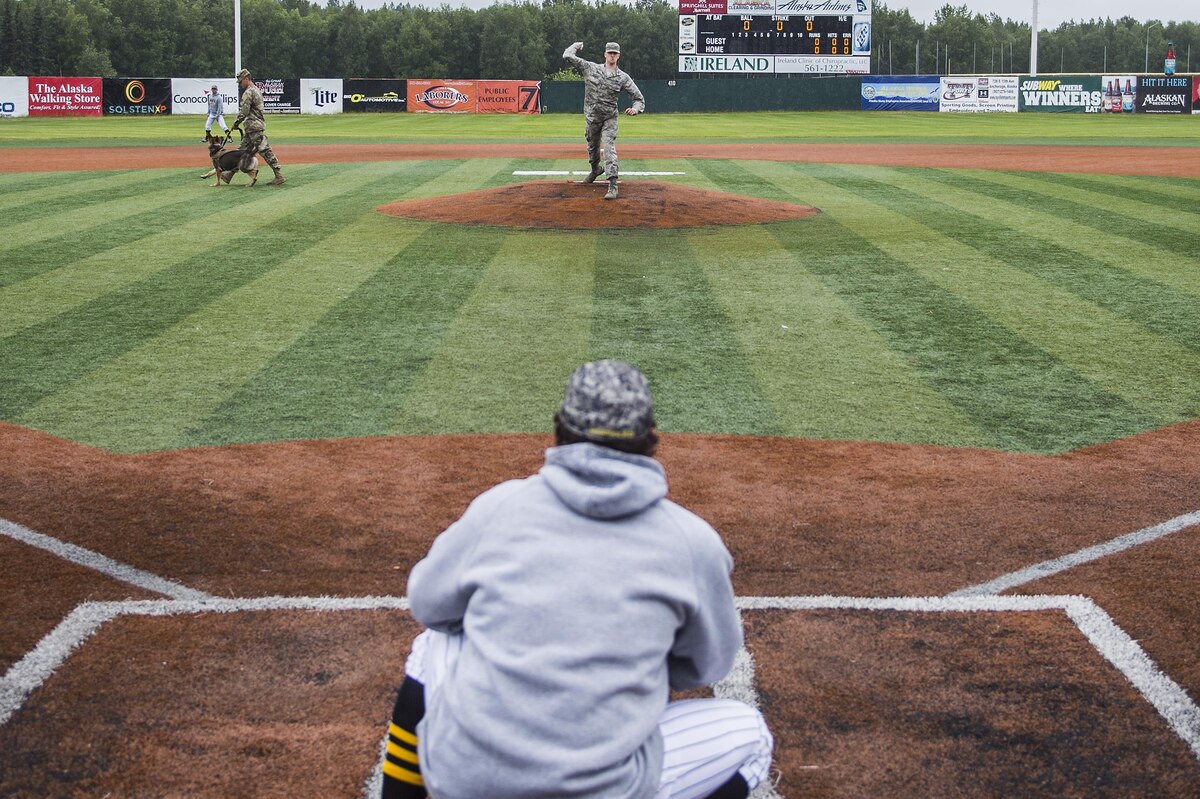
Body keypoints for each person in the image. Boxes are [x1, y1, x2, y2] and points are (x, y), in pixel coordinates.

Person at [381, 360, 774, 799]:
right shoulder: (692, 541)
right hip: (604, 790)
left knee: (432, 643)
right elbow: (706, 666)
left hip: (470, 783)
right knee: (751, 736)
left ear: (559, 429)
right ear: (652, 438)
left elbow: (429, 605)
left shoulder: (501, 506)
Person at [562, 41, 645, 200]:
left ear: (618, 56)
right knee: (592, 147)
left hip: (609, 117)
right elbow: (567, 55)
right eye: (610, 53)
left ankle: (613, 184)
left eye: (615, 53)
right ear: (605, 54)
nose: (612, 56)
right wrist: (576, 45)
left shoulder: (622, 77)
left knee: (608, 147)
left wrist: (635, 109)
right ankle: (595, 170)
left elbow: (639, 98)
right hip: (592, 118)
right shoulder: (590, 68)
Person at [232, 68, 285, 186]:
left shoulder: (248, 92)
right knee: (241, 151)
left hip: (253, 126)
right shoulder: (256, 90)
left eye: (241, 81)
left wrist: (236, 123)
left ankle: (279, 175)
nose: (240, 84)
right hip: (253, 126)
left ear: (246, 78)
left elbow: (244, 111)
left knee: (265, 150)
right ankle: (229, 174)